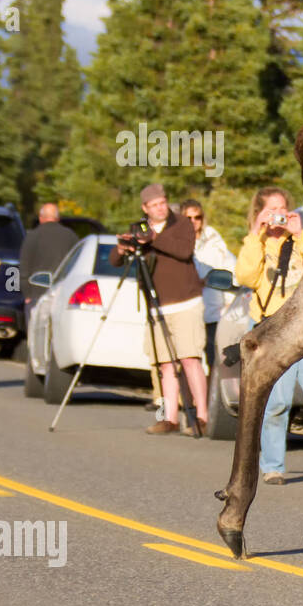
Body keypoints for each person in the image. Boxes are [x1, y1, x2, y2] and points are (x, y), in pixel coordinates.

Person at [235, 187, 303, 489]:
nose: (278, 217)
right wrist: (256, 234)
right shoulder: (256, 243)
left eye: (283, 209)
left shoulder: (300, 241)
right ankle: (272, 466)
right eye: (271, 211)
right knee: (275, 401)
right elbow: (245, 277)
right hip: (274, 328)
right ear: (259, 213)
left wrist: (300, 235)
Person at [110, 183, 208, 435]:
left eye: (162, 203)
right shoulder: (140, 228)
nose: (160, 208)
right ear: (145, 208)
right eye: (154, 206)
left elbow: (184, 251)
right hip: (157, 306)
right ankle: (170, 418)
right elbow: (115, 260)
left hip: (186, 302)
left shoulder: (182, 224)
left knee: (189, 359)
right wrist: (123, 247)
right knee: (165, 364)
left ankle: (202, 416)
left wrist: (154, 238)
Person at [178, 198, 235, 372]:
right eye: (188, 218)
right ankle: (187, 399)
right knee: (187, 361)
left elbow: (231, 271)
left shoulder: (214, 241)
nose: (194, 222)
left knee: (213, 361)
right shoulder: (175, 243)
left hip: (212, 312)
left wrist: (229, 302)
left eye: (198, 217)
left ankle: (208, 399)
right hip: (186, 310)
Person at [18, 202, 78, 329]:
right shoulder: (71, 236)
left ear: (41, 218)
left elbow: (24, 267)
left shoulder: (32, 236)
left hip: (36, 294)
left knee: (36, 335)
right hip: (62, 294)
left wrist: (27, 294)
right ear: (57, 218)